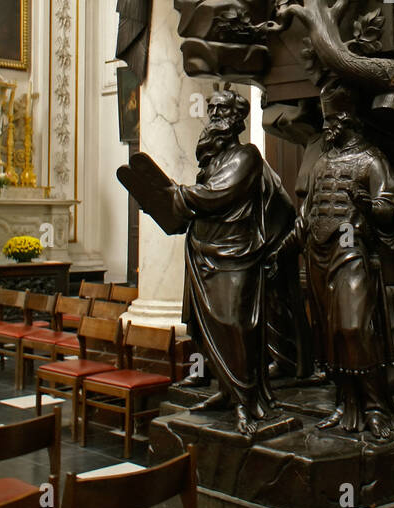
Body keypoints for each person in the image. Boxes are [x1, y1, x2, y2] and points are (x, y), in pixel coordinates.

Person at [118, 89, 299, 435]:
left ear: (236, 119)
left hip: (234, 257)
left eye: (221, 110)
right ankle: (226, 393)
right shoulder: (213, 161)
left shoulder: (246, 156)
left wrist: (174, 194)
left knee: (236, 327)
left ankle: (249, 403)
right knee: (207, 331)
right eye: (212, 108)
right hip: (203, 254)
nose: (214, 114)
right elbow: (201, 200)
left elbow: (218, 194)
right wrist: (163, 201)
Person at [279, 86, 394, 439]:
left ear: (348, 119)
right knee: (330, 333)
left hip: (351, 252)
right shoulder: (322, 161)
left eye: (331, 120)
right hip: (318, 254)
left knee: (355, 329)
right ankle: (345, 402)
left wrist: (369, 206)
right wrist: (291, 240)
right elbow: (307, 209)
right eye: (325, 120)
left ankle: (375, 408)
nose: (327, 127)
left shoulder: (371, 160)